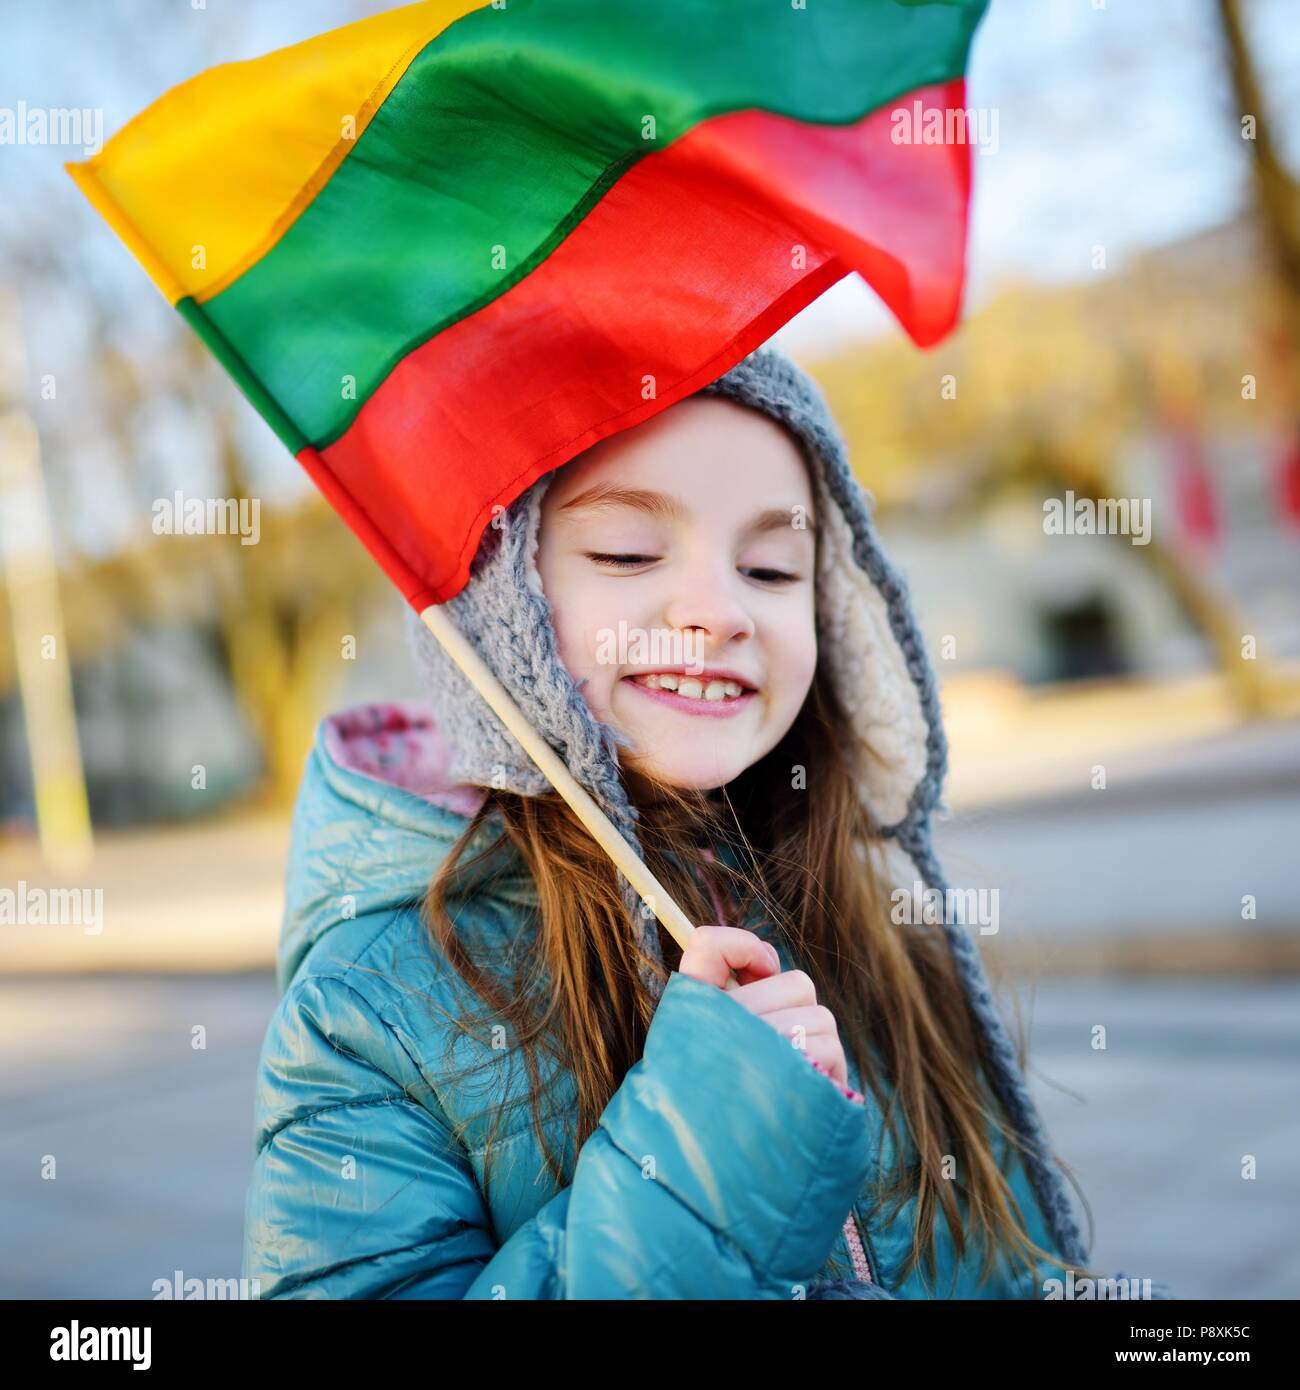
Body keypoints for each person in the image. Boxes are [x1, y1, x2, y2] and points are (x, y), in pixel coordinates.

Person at [240, 343, 1171, 1300]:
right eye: (627, 554)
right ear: (494, 603)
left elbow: (1003, 1268)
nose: (719, 610)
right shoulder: (364, 1018)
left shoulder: (882, 937)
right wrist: (705, 1164)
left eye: (771, 568)